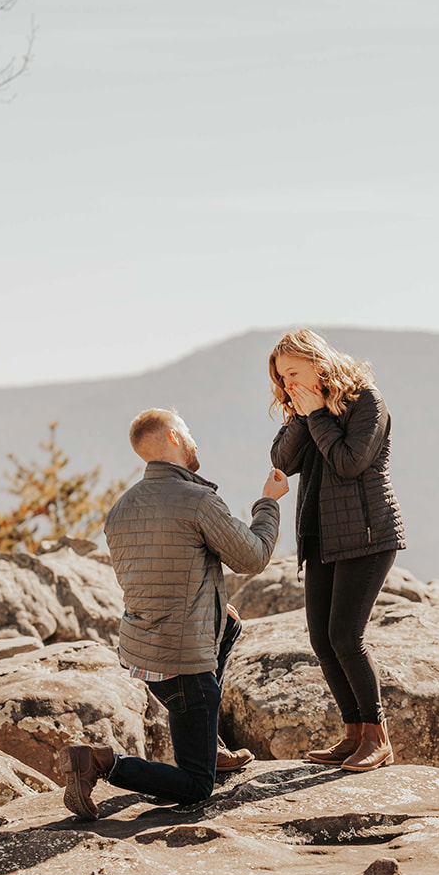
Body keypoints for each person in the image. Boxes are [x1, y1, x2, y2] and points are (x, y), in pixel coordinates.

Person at [59, 408, 287, 819]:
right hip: (184, 665)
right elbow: (253, 557)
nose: (195, 440)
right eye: (189, 431)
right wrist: (268, 503)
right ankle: (100, 763)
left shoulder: (121, 508)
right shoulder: (197, 500)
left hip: (143, 655)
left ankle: (210, 746)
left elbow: (154, 577)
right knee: (197, 787)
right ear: (175, 438)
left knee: (230, 625)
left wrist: (214, 607)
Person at [268, 329, 406, 772]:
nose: (288, 383)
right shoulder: (305, 410)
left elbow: (349, 462)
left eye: (293, 372)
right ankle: (352, 734)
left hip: (368, 536)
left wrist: (319, 416)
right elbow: (282, 462)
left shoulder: (366, 400)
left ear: (316, 361)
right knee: (322, 641)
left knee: (346, 636)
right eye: (281, 378)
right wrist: (302, 415)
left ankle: (377, 737)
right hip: (322, 539)